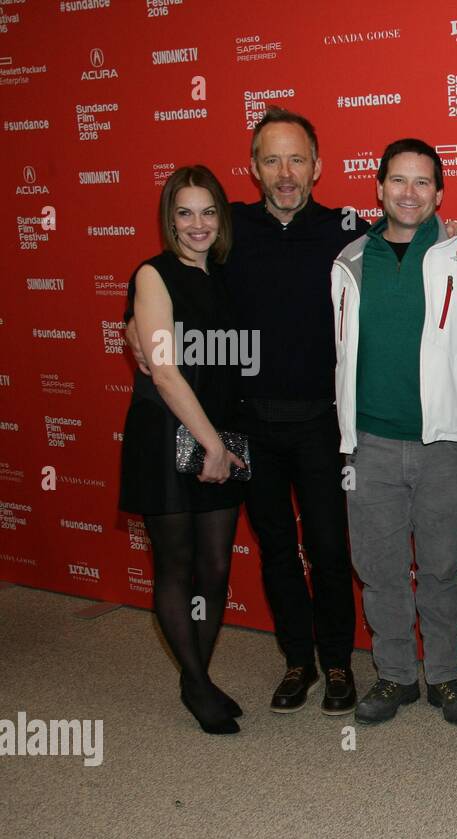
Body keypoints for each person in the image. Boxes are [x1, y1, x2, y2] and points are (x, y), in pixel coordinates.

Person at [128, 109, 457, 718]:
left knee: (331, 548)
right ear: (254, 167)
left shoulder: (345, 236)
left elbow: (417, 234)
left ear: (318, 166)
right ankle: (299, 661)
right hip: (249, 422)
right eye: (272, 160)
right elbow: (171, 278)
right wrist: (133, 324)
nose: (286, 173)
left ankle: (342, 664)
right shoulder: (228, 229)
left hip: (326, 421)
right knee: (274, 549)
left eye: (298, 160)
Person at [331, 139, 457, 726]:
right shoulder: (348, 262)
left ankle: (447, 677)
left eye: (422, 182)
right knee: (377, 570)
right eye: (398, 181)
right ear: (378, 188)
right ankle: (396, 676)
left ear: (440, 193)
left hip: (448, 446)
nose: (409, 193)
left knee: (442, 566)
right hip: (370, 445)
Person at [119, 166, 246, 735]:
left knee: (216, 566)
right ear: (170, 219)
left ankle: (200, 673)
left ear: (221, 218)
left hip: (223, 430)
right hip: (169, 430)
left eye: (208, 212)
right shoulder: (153, 274)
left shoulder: (226, 274)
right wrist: (211, 445)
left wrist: (222, 443)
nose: (198, 224)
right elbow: (165, 373)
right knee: (175, 564)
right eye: (185, 213)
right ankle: (196, 683)